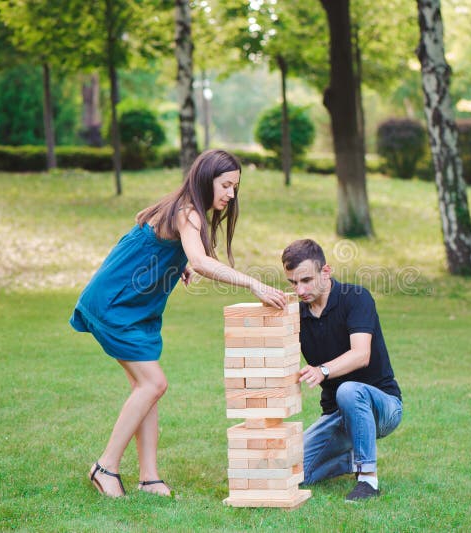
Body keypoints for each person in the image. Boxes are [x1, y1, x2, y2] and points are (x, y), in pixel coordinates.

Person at [71, 149, 286, 498]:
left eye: (235, 187)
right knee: (153, 383)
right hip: (116, 305)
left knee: (146, 388)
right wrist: (252, 283)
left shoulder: (181, 208)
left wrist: (177, 262)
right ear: (206, 179)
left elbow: (157, 245)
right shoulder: (188, 212)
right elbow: (200, 260)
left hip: (135, 308)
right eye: (226, 185)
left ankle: (149, 477)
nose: (231, 194)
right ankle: (105, 467)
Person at [281, 239, 403, 502]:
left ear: (326, 271)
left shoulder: (356, 298)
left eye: (306, 280)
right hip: (336, 416)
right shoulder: (296, 315)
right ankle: (350, 458)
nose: (300, 290)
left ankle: (367, 479)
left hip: (383, 407)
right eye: (293, 283)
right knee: (292, 473)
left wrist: (322, 370)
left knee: (348, 391)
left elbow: (361, 354)